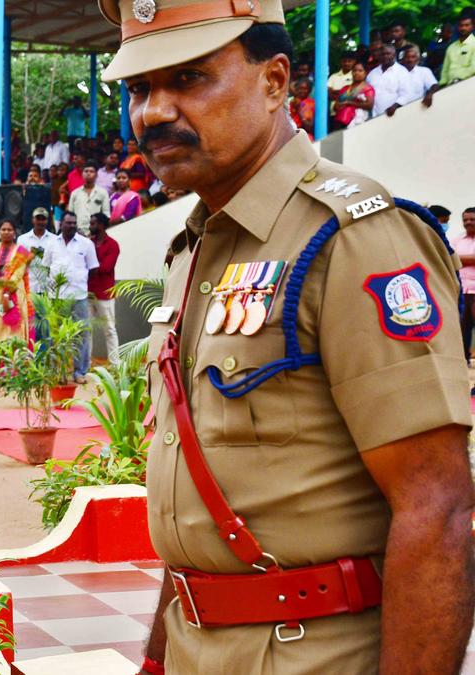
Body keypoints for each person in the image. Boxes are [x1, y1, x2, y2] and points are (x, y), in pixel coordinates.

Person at [98, 1, 475, 673]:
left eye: (187, 78)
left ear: (274, 82)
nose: (153, 111)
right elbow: (199, 499)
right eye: (139, 88)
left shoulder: (352, 236)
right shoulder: (193, 246)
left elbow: (437, 505)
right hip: (196, 644)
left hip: (312, 652)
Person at [42, 212, 99, 384]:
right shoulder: (51, 244)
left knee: (81, 334)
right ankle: (56, 372)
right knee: (55, 335)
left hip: (79, 296)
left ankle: (79, 372)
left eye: (74, 223)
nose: (72, 225)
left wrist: (80, 281)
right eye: (68, 223)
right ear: (62, 225)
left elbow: (93, 268)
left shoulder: (86, 244)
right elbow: (46, 268)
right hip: (57, 298)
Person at [0, 220, 34, 344]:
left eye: (9, 229)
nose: (6, 232)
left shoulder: (21, 252)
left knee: (14, 333)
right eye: (3, 229)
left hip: (15, 295)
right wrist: (5, 282)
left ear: (15, 233)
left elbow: (16, 279)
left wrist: (5, 286)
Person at [86, 212, 120, 366]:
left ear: (100, 225)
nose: (90, 226)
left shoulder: (112, 244)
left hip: (105, 293)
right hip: (88, 291)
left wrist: (90, 267)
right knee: (87, 330)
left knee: (110, 330)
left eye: (93, 223)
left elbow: (106, 267)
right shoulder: (88, 243)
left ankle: (115, 364)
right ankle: (86, 363)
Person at [367, 43, 413, 117]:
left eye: (388, 54)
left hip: (395, 114)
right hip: (374, 116)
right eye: (383, 54)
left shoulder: (402, 71)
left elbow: (406, 94)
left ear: (394, 55)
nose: (385, 56)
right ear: (379, 56)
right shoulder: (372, 74)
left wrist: (395, 106)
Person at [67, 163, 111, 231]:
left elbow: (106, 213)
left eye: (91, 171)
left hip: (96, 231)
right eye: (86, 171)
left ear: (96, 175)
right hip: (78, 230)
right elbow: (70, 214)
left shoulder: (103, 193)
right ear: (82, 174)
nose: (88, 173)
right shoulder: (75, 193)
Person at [456, 208, 475, 361]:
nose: (468, 222)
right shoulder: (457, 240)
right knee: (462, 328)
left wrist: (459, 259)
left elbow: (455, 258)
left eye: (472, 219)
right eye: (465, 220)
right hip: (462, 291)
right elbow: (449, 257)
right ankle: (464, 359)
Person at [335, 61, 376, 128]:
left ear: (365, 73)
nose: (357, 73)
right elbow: (335, 107)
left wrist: (349, 103)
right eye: (354, 70)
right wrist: (340, 106)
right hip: (342, 122)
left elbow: (369, 105)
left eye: (360, 71)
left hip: (360, 122)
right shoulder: (345, 88)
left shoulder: (367, 88)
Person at [401, 43, 440, 107]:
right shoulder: (397, 73)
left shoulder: (424, 71)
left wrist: (430, 94)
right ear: (402, 59)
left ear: (417, 59)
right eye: (407, 57)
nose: (410, 60)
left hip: (419, 107)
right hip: (400, 109)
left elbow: (434, 85)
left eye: (413, 57)